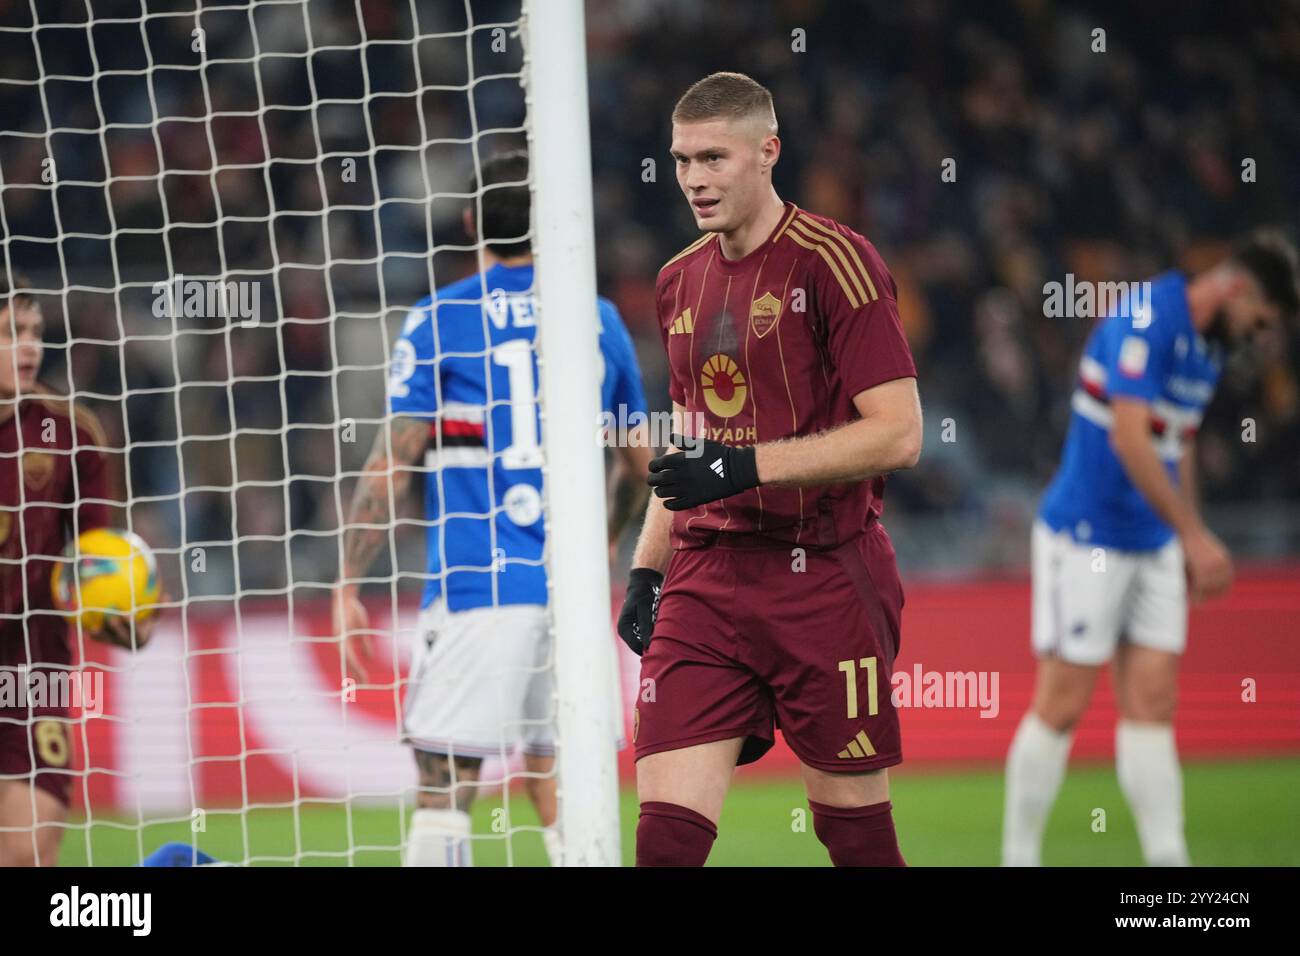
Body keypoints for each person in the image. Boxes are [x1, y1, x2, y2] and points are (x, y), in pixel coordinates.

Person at [617, 72, 923, 867]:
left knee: (856, 841)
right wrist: (647, 572)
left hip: (825, 574)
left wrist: (743, 466)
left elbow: (898, 435)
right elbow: (690, 437)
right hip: (707, 578)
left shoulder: (836, 262)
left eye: (713, 158)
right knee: (663, 845)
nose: (693, 179)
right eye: (682, 160)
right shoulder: (677, 278)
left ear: (768, 152)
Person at [334, 151, 651, 866]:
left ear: (472, 221)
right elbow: (639, 463)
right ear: (551, 223)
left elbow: (392, 463)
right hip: (568, 598)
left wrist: (349, 582)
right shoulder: (597, 319)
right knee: (564, 784)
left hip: (478, 586)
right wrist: (603, 537)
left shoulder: (438, 319)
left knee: (446, 787)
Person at [1003, 232, 1300, 866]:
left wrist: (1184, 535)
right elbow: (1131, 441)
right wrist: (1194, 534)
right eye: (1260, 320)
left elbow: (1176, 444)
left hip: (1155, 540)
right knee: (1061, 703)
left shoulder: (1210, 349)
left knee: (1153, 704)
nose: (1257, 334)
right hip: (1087, 534)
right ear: (1237, 289)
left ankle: (1170, 868)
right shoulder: (1147, 317)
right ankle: (1019, 857)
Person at [0, 270, 157, 867]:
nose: (30, 347)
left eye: (35, 331)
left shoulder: (70, 434)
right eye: (11, 332)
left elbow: (97, 559)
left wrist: (127, 609)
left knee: (27, 852)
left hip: (31, 670)